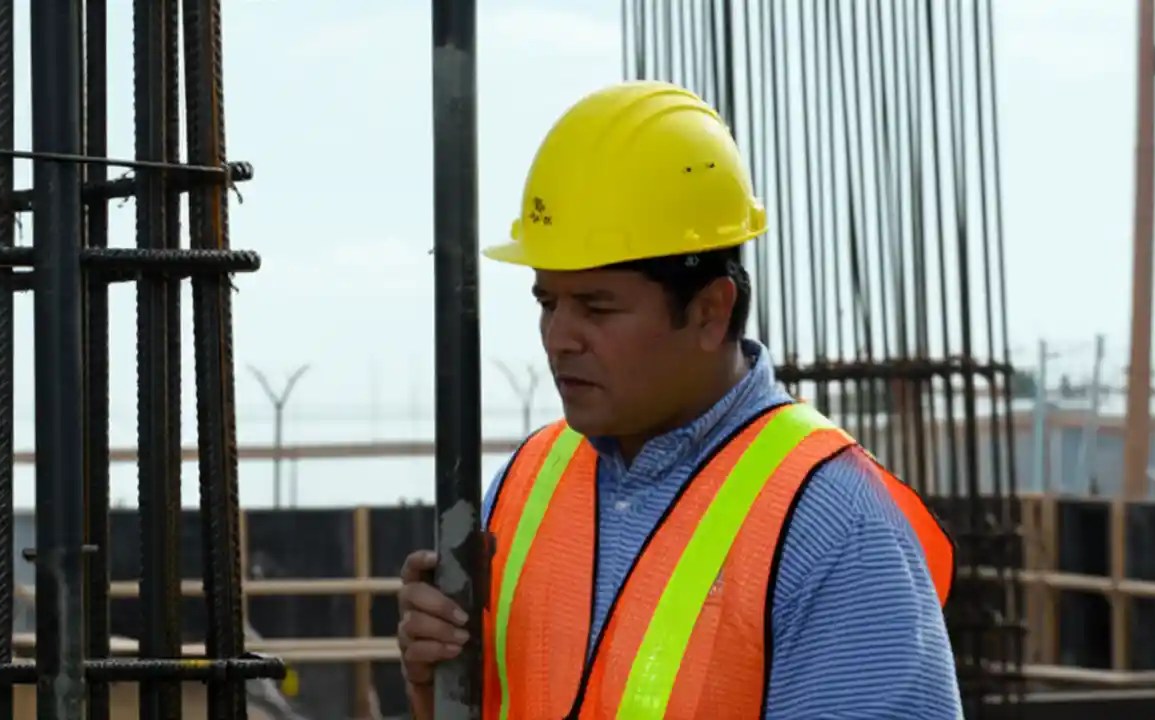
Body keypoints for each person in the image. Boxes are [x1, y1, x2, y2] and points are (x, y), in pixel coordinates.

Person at [397, 81, 962, 719]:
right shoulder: (524, 485)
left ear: (710, 311)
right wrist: (438, 693)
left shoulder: (834, 526)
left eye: (597, 308)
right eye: (548, 302)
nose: (559, 338)